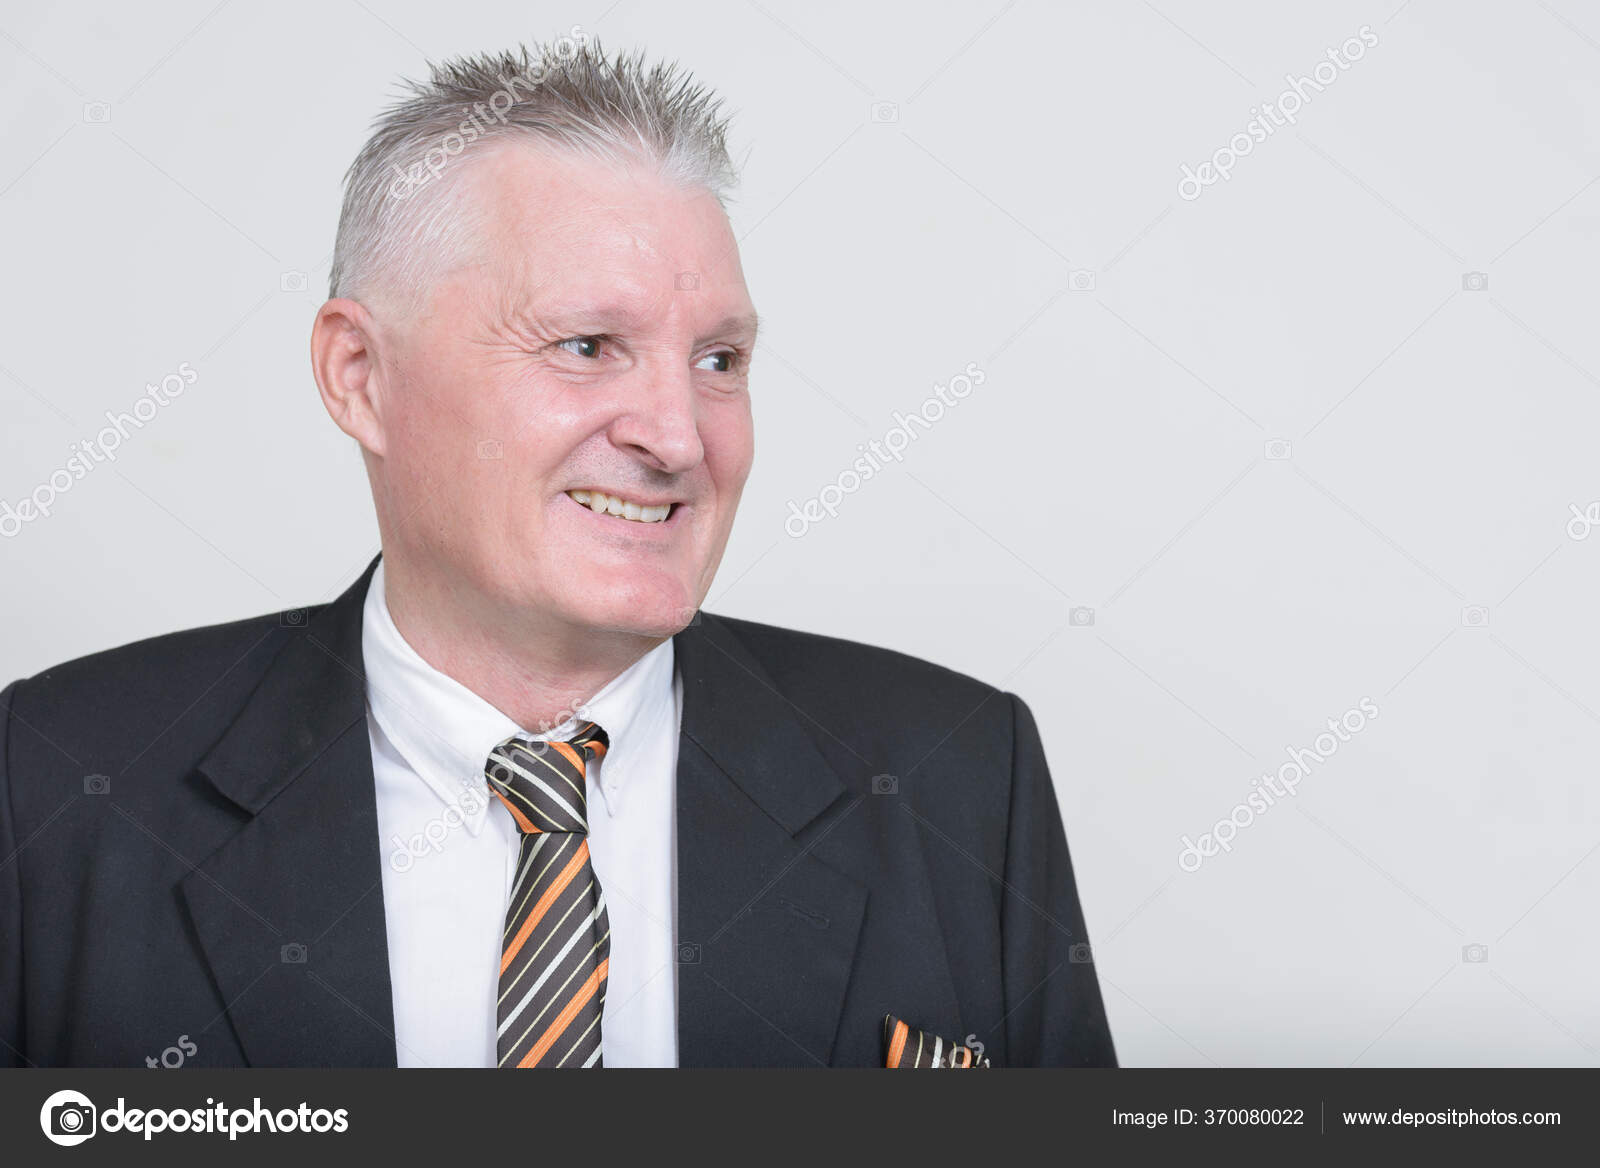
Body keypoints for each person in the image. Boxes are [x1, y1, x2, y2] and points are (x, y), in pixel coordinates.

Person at [0, 39, 1115, 1068]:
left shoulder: (955, 775)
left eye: (719, 359)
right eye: (586, 346)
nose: (678, 435)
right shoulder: (58, 785)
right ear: (359, 375)